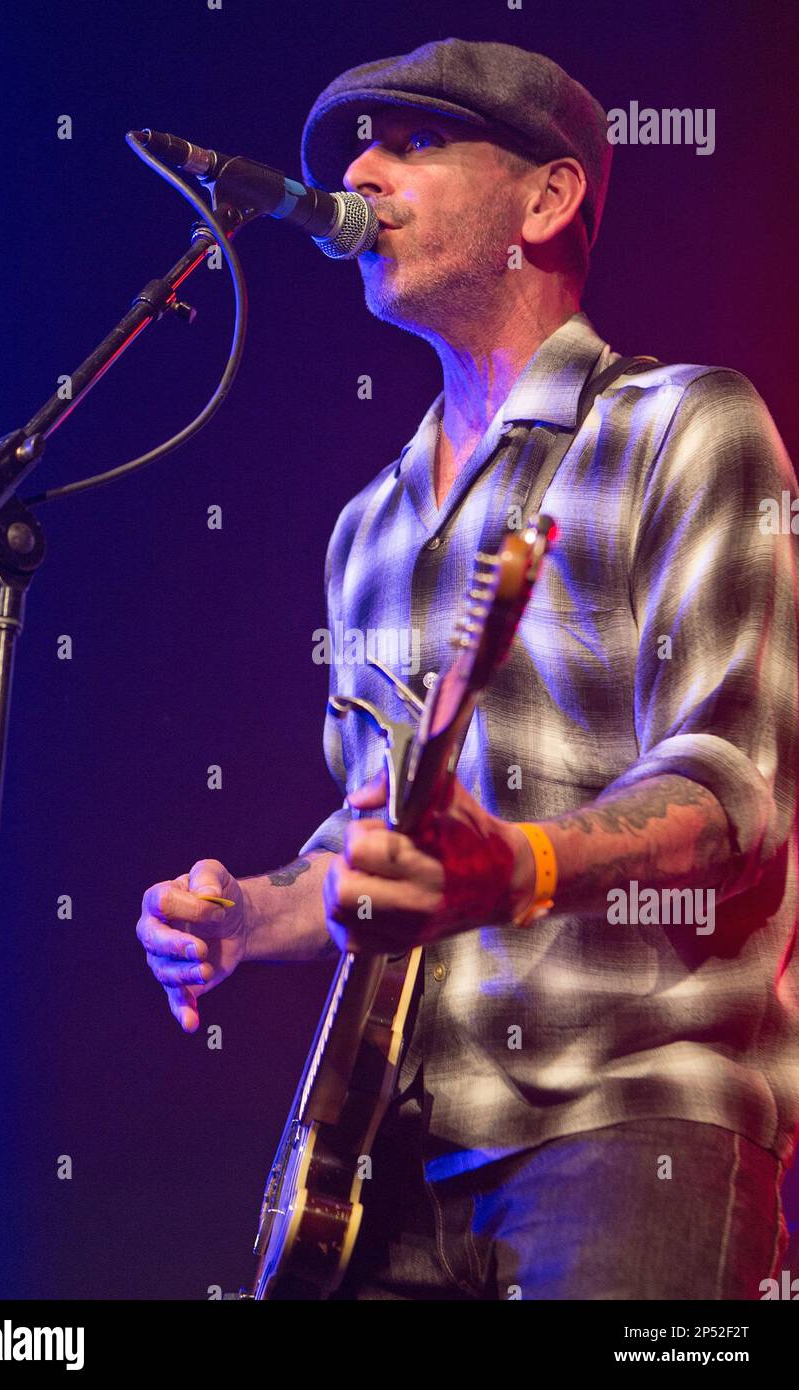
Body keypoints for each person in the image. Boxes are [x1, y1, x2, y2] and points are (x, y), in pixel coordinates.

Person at [134, 39, 799, 1299]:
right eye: (354, 152)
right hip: (386, 1159)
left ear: (544, 202)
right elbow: (377, 837)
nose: (362, 172)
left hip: (633, 1124)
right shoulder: (367, 524)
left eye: (413, 144)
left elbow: (727, 792)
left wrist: (521, 866)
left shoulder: (686, 427)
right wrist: (247, 916)